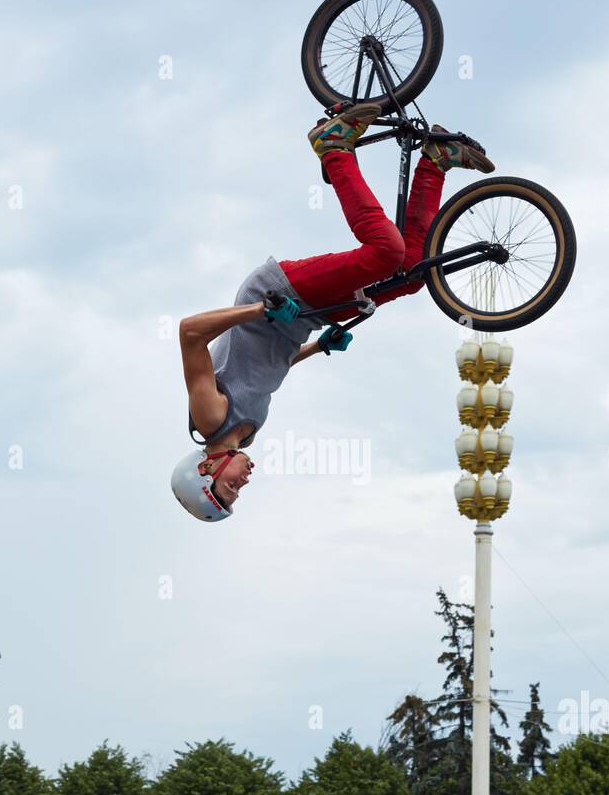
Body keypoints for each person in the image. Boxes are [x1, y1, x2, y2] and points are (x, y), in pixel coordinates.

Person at [172, 104, 494, 522]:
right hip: (304, 317)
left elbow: (189, 333)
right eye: (239, 491)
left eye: (230, 486)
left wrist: (261, 308)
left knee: (385, 252)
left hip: (277, 293)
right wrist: (318, 347)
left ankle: (334, 147)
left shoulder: (209, 417)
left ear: (206, 469)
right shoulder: (247, 433)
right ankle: (435, 162)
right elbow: (272, 362)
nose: (244, 482)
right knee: (412, 273)